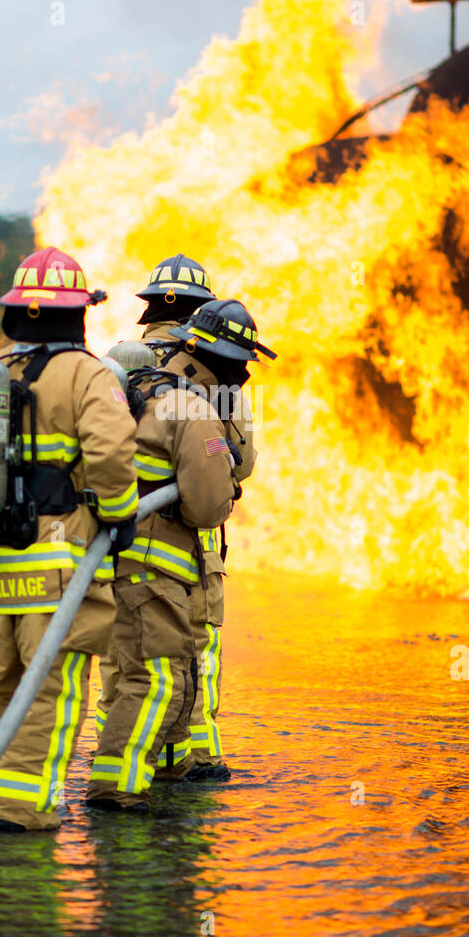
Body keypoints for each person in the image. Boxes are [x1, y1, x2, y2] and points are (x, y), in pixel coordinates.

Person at [0, 246, 137, 832]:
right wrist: (119, 515)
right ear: (77, 315)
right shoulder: (89, 374)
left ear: (15, 314)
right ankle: (24, 811)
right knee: (49, 692)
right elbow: (110, 453)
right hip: (60, 573)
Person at [85, 347, 238, 812]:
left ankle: (162, 768)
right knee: (156, 678)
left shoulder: (126, 407)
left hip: (112, 564)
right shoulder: (190, 408)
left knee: (148, 670)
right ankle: (117, 788)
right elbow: (208, 505)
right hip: (156, 568)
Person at [157, 298, 275, 779]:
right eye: (240, 362)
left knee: (140, 664)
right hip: (182, 549)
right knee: (188, 655)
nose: (243, 374)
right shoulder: (200, 399)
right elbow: (225, 484)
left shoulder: (140, 371)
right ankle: (171, 766)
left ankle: (157, 761)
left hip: (128, 550)